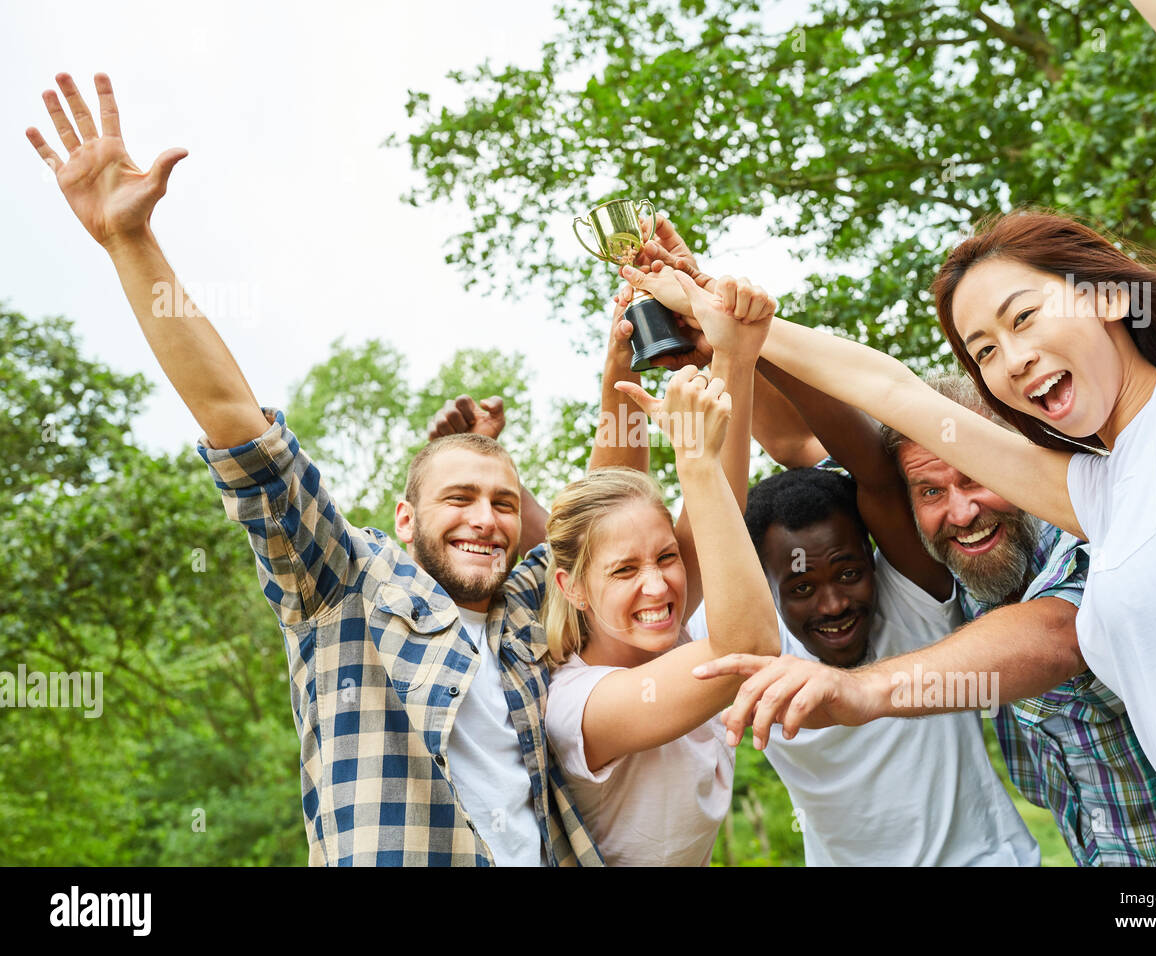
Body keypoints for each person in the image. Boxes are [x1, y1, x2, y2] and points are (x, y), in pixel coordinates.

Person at [645, 1, 1156, 865]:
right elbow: (891, 389)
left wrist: (862, 691)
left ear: (1104, 297)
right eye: (985, 350)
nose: (1013, 360)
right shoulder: (1093, 493)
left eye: (1025, 316)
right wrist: (717, 312)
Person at [25, 72, 600, 866]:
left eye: (504, 502)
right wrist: (131, 241)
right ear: (404, 520)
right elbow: (243, 433)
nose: (486, 517)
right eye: (458, 497)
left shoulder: (529, 616)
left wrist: (593, 385)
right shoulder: (349, 588)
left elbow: (599, 539)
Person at [618, 221, 1042, 866]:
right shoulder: (747, 642)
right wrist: (712, 357)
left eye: (848, 573)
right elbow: (715, 519)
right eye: (801, 587)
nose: (834, 603)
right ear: (762, 586)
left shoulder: (915, 602)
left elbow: (867, 465)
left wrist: (739, 346)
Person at [710, 365, 1156, 865]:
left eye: (978, 477)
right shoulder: (961, 562)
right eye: (930, 491)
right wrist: (731, 345)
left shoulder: (1085, 527)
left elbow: (1059, 635)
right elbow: (796, 440)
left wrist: (865, 690)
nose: (961, 512)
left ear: (1020, 458)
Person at [542, 270, 782, 866]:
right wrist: (692, 463)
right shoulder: (580, 706)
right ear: (573, 588)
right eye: (623, 572)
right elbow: (749, 646)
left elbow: (721, 495)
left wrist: (735, 353)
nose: (658, 585)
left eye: (667, 557)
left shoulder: (668, 635)